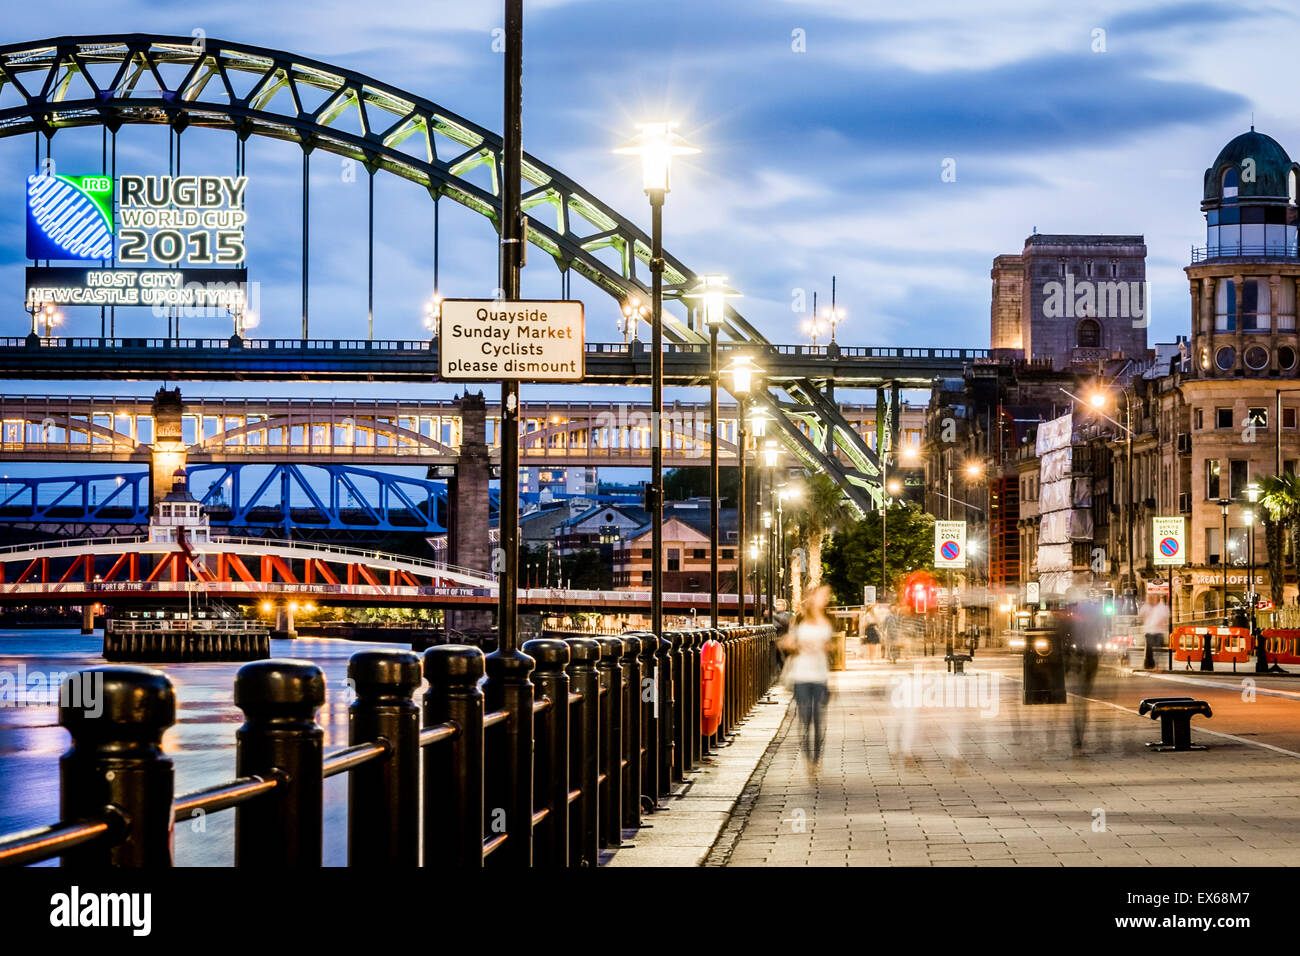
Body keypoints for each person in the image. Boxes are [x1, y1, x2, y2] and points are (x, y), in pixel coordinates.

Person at [781, 583, 833, 773]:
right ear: (812, 598)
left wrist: (823, 646)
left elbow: (830, 647)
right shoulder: (800, 619)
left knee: (819, 719)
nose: (825, 598)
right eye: (823, 595)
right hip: (801, 674)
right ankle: (808, 759)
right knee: (805, 718)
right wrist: (799, 646)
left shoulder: (828, 619)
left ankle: (816, 759)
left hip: (820, 674)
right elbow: (788, 643)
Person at [1138, 593, 1169, 670]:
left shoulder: (1162, 607)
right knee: (1149, 650)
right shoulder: (1147, 606)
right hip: (1149, 631)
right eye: (1150, 597)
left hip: (1159, 631)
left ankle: (1159, 666)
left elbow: (1164, 618)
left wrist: (1159, 624)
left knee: (1159, 650)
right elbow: (1141, 616)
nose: (1152, 599)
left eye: (1154, 597)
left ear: (1157, 598)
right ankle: (1149, 666)